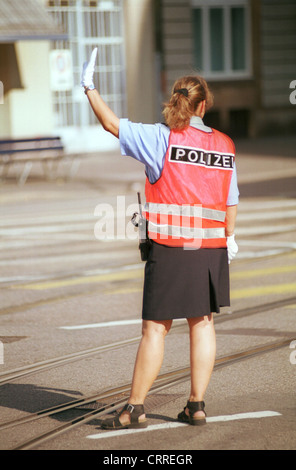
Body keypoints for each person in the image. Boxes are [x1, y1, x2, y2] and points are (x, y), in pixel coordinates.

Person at [81, 48, 239, 429]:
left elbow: (111, 124)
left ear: (177, 101)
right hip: (212, 248)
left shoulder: (160, 138)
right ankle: (197, 405)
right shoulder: (225, 146)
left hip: (170, 247)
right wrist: (228, 239)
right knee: (202, 324)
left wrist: (88, 88)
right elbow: (230, 208)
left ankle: (135, 408)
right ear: (204, 106)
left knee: (155, 328)